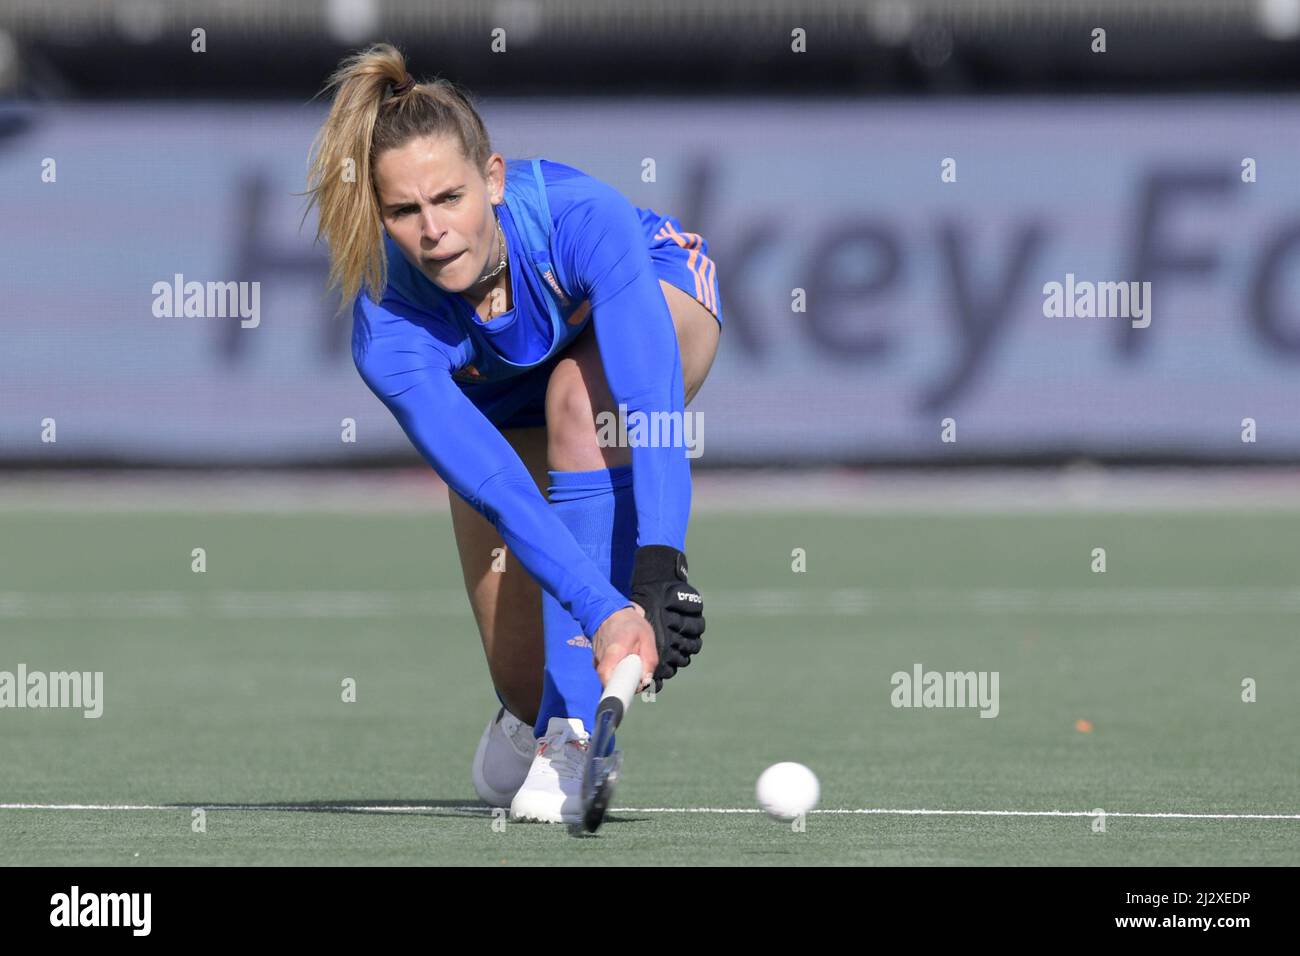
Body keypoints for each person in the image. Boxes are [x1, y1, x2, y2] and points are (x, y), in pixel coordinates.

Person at [304, 43, 721, 823]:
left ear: (492, 180)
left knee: (576, 399)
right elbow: (498, 488)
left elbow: (648, 397)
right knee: (525, 673)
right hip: (502, 398)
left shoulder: (579, 217)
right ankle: (531, 712)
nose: (434, 232)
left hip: (654, 304)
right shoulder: (389, 334)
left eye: (451, 198)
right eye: (403, 211)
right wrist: (604, 612)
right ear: (381, 215)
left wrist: (660, 563)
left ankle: (566, 738)